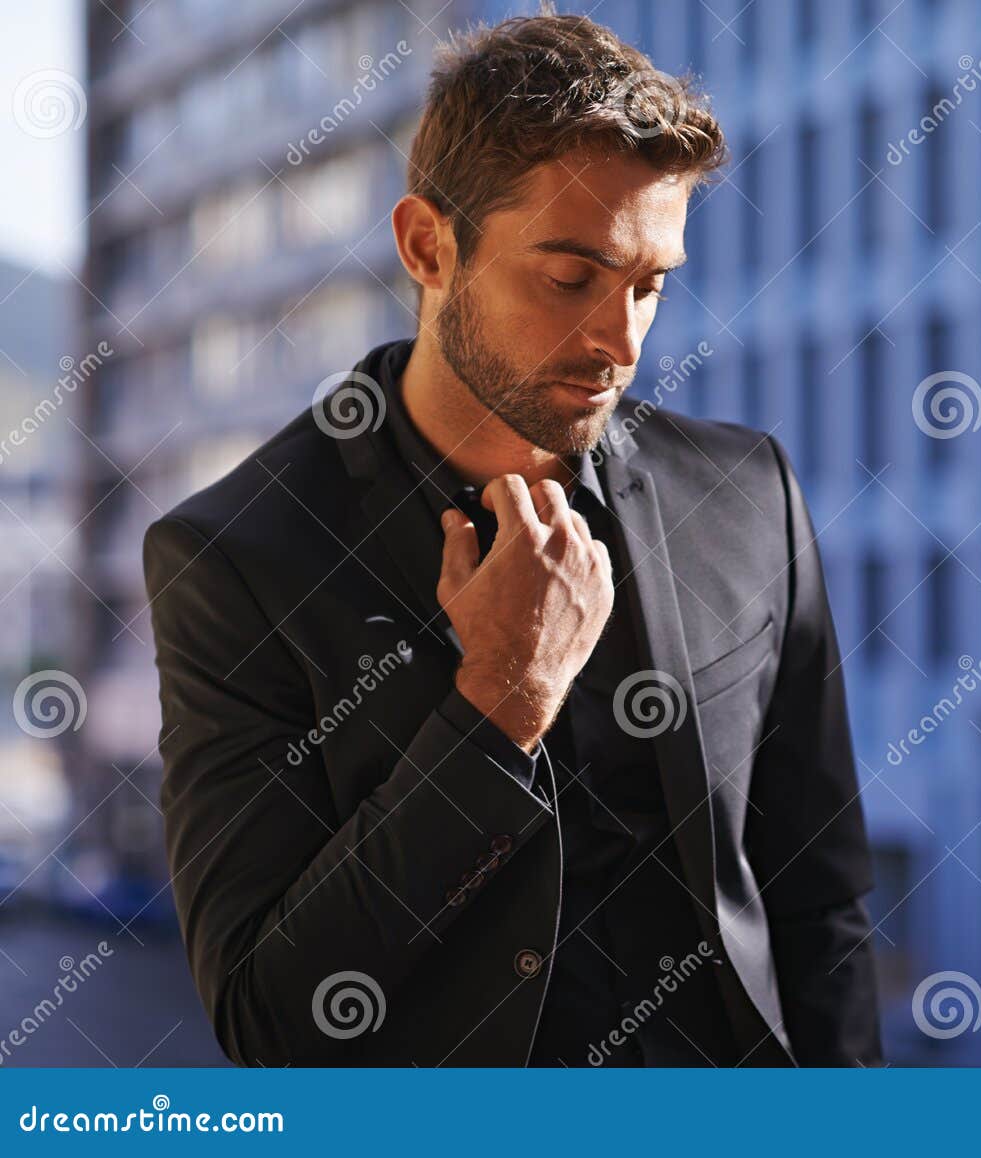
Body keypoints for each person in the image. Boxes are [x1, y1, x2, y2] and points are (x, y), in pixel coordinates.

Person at [144, 11, 882, 1067]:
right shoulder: (239, 559)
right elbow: (270, 1018)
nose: (619, 340)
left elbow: (820, 897)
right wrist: (499, 704)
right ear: (427, 245)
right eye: (571, 278)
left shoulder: (745, 492)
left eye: (648, 286)